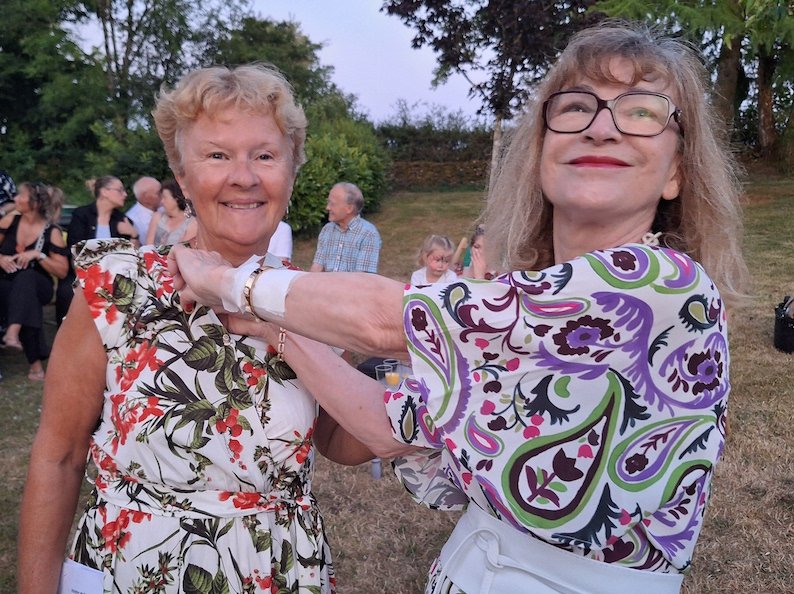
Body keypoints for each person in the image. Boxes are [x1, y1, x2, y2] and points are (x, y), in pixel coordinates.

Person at [168, 21, 748, 593]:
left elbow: (386, 320)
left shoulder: (659, 284)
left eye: (641, 111)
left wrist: (224, 279)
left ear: (676, 170)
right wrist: (278, 331)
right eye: (575, 108)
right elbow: (392, 429)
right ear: (541, 151)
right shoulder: (531, 308)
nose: (603, 128)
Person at [17, 63, 384, 594]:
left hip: (276, 572)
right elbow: (59, 454)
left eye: (264, 155)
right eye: (217, 155)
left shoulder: (308, 300)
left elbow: (335, 437)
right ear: (183, 176)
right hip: (134, 568)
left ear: (291, 173)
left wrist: (408, 384)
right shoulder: (117, 287)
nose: (244, 176)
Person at [0, 182, 69, 380]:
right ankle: (35, 366)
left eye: (21, 196)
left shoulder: (52, 231)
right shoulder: (9, 222)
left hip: (41, 285)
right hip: (8, 283)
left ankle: (12, 331)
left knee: (27, 279)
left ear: (35, 203)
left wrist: (38, 255)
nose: (15, 199)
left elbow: (62, 272)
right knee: (24, 298)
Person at [55, 176, 141, 325]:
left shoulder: (122, 220)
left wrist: (133, 234)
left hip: (115, 276)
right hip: (82, 273)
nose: (125, 194)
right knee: (67, 291)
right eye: (120, 190)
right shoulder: (82, 215)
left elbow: (133, 256)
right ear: (105, 192)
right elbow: (75, 249)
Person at [310, 182, 381, 273]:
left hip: (351, 286)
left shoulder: (368, 234)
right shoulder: (327, 230)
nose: (327, 207)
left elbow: (362, 278)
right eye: (328, 203)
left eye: (332, 204)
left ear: (349, 209)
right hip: (326, 286)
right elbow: (317, 268)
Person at [144, 178, 197, 246]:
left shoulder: (191, 223)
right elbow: (148, 245)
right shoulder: (157, 217)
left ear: (176, 199)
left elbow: (183, 249)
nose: (162, 201)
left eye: (165, 197)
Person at [126, 175, 162, 242]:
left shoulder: (166, 207)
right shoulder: (132, 220)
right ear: (145, 197)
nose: (163, 195)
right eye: (158, 193)